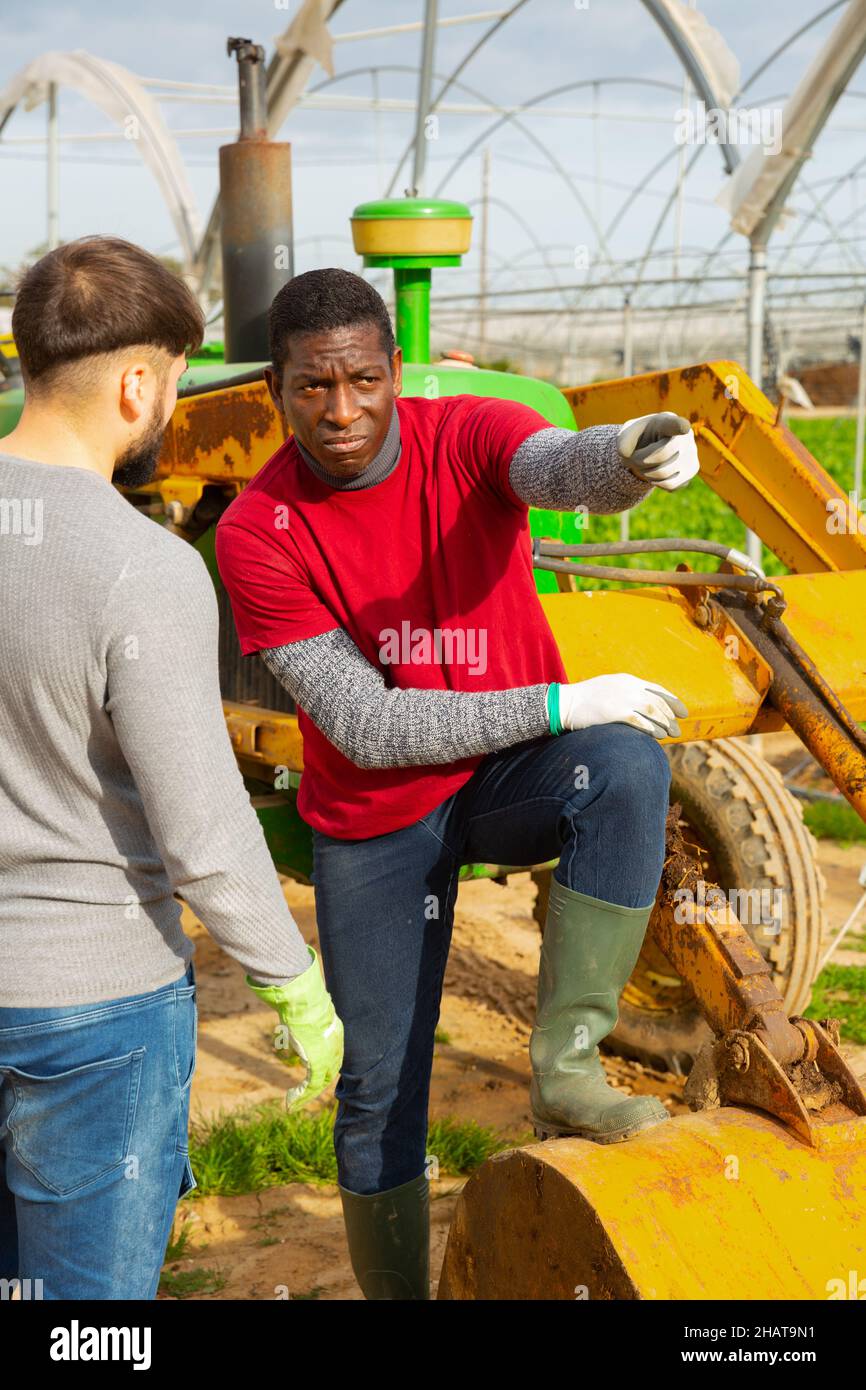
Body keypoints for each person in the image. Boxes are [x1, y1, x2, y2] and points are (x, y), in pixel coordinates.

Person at [215, 267, 698, 1301]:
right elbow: (366, 726)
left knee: (621, 762)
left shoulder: (467, 432)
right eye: (310, 387)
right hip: (373, 808)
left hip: (496, 777)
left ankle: (567, 1069)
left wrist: (632, 455)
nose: (338, 411)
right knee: (378, 1084)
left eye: (358, 379)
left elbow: (558, 467)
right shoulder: (256, 529)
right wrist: (559, 703)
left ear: (394, 371)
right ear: (275, 389)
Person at [0, 238, 342, 1301]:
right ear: (138, 382)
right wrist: (293, 983)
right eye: (177, 380)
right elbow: (200, 825)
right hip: (92, 1012)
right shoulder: (142, 566)